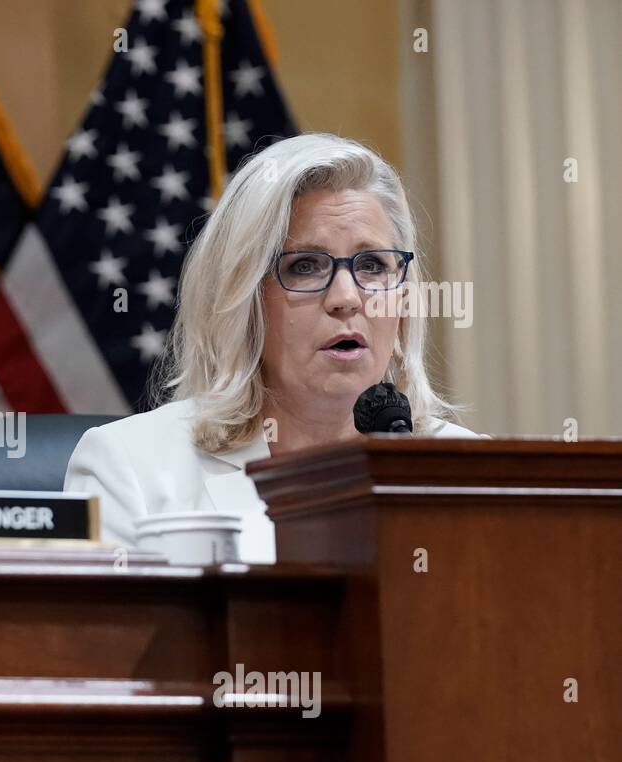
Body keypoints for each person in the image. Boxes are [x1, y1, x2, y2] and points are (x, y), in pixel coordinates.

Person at [65, 133, 481, 563]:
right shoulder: (130, 468)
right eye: (304, 266)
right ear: (244, 300)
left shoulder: (470, 474)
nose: (348, 297)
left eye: (373, 265)